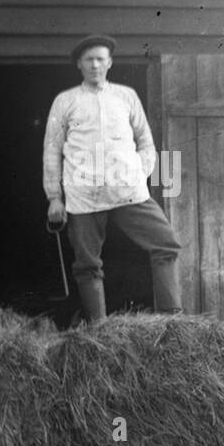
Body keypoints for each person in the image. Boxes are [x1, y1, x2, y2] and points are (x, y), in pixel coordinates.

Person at [43, 33, 182, 321]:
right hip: (83, 195)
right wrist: (55, 198)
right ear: (79, 65)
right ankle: (99, 331)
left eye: (100, 59)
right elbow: (51, 150)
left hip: (127, 191)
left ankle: (171, 320)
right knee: (87, 263)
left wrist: (137, 175)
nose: (95, 65)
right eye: (89, 60)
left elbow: (146, 142)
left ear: (110, 63)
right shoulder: (65, 101)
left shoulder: (126, 96)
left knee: (165, 243)